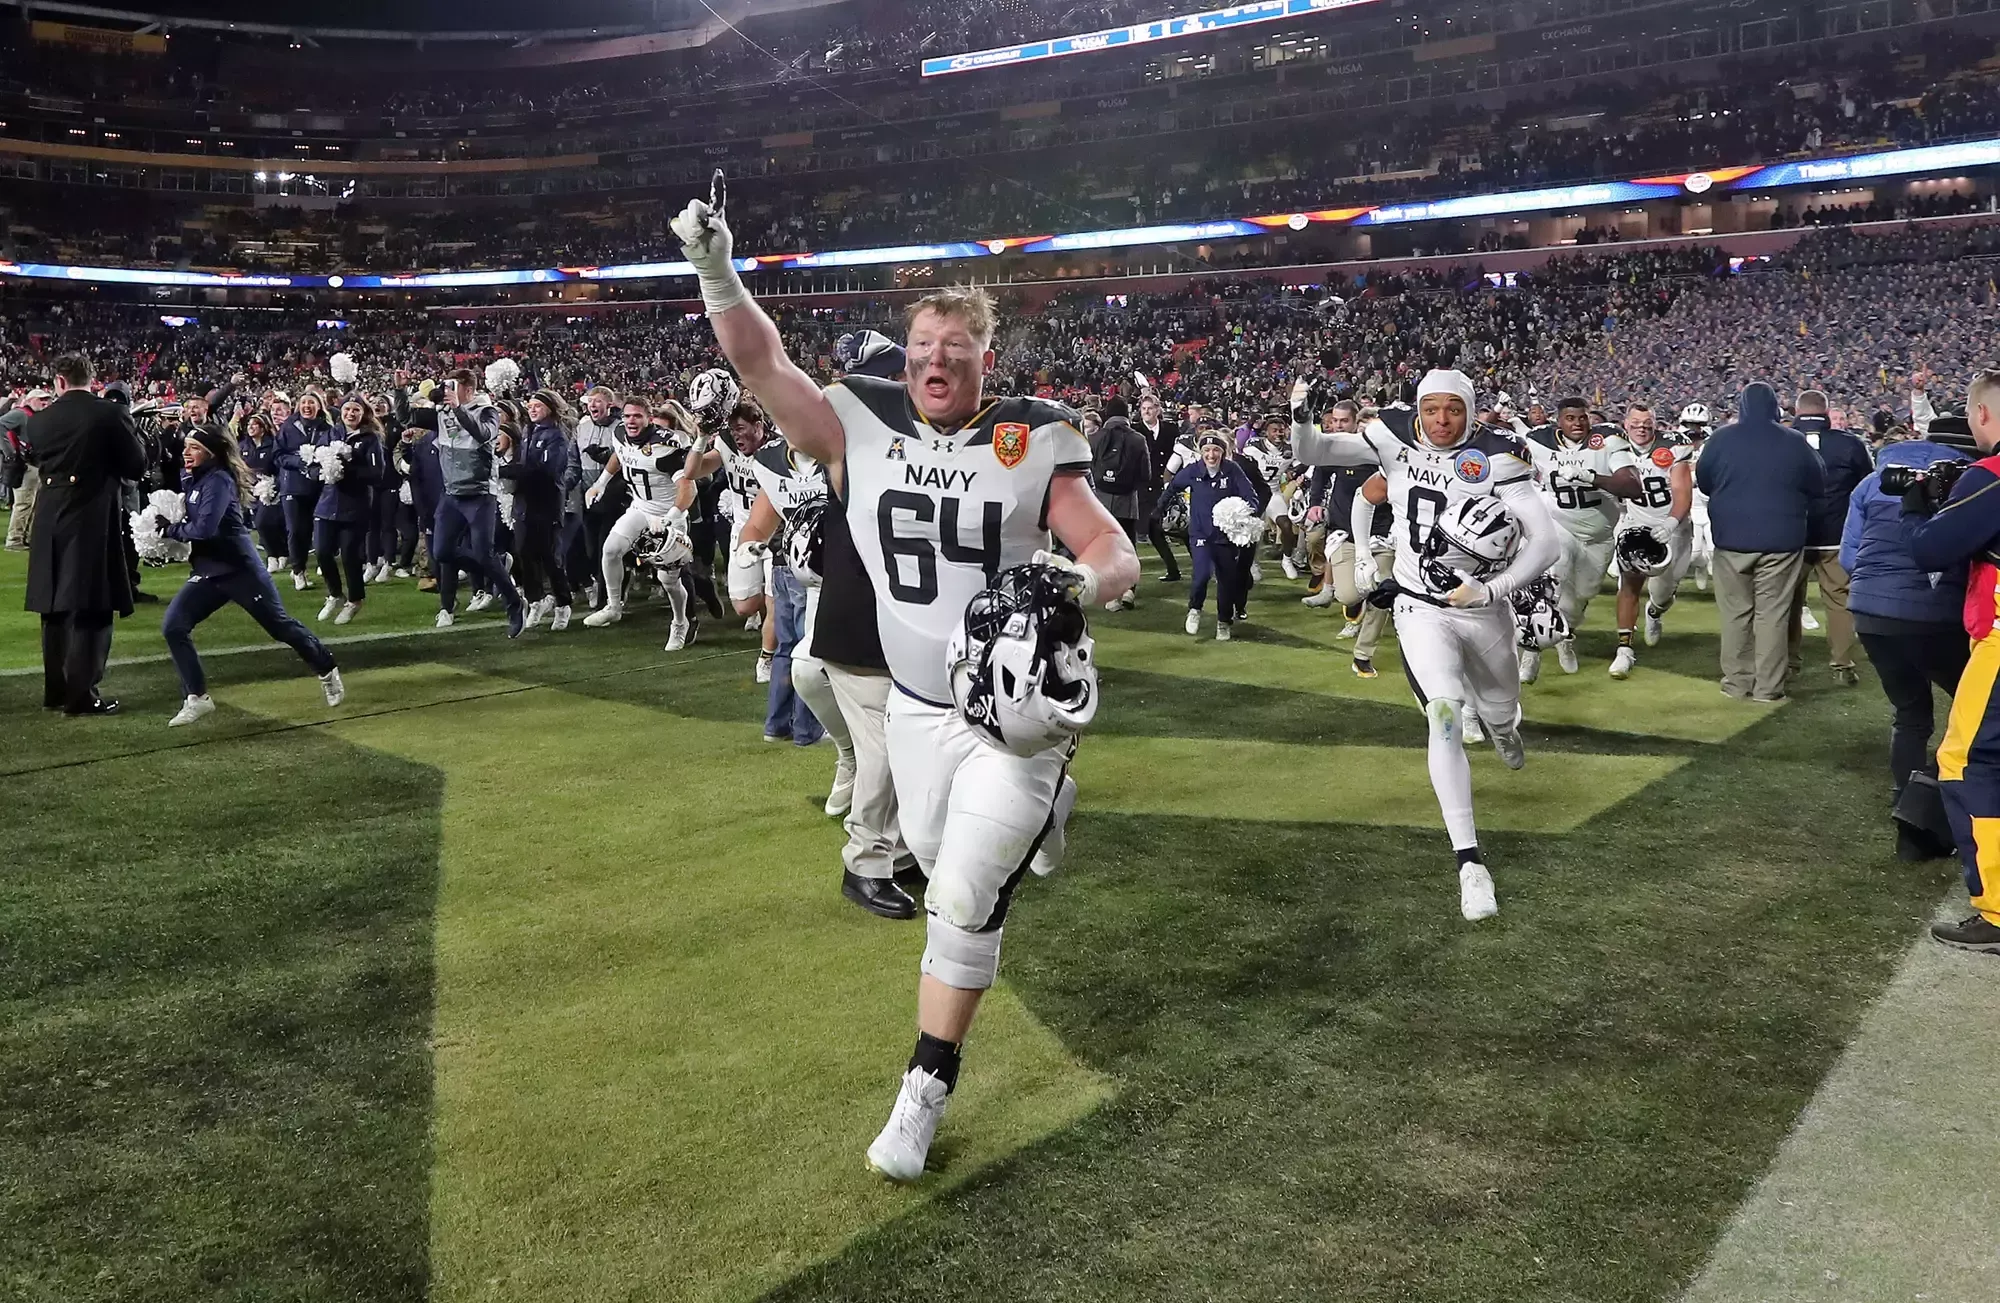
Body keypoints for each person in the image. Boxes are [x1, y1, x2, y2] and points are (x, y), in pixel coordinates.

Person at [675, 188, 1139, 1184]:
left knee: (963, 896)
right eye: (923, 347)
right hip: (917, 710)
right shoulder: (857, 423)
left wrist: (1082, 578)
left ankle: (923, 1089)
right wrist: (716, 271)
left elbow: (1109, 547)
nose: (936, 364)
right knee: (929, 854)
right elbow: (760, 365)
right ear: (908, 351)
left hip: (1010, 718)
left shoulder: (1031, 438)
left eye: (956, 352)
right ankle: (1045, 815)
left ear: (983, 360)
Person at [1291, 369, 1561, 922]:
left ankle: (1506, 730)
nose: (1442, 421)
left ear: (1470, 408)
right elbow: (1315, 448)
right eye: (1432, 409)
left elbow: (1547, 540)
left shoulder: (1498, 453)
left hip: (1484, 608)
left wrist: (1492, 587)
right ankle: (1469, 861)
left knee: (1501, 712)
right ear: (1418, 407)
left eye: (1454, 410)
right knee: (1443, 714)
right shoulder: (1390, 434)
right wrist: (1299, 414)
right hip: (1419, 605)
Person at [1902, 369, 2000, 952]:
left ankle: (1996, 909)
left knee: (1967, 761)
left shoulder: (1991, 475)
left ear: (1983, 415)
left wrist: (1917, 507)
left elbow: (1928, 549)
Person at [157, 425, 345, 726]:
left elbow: (204, 528)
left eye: (193, 447)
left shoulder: (218, 480)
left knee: (280, 627)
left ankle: (326, 668)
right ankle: (197, 697)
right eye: (186, 445)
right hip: (208, 570)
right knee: (173, 626)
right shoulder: (192, 478)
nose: (186, 451)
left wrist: (170, 530)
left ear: (210, 452)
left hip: (240, 570)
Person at [1843, 432, 1970, 852]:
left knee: (1910, 714)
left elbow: (1849, 555)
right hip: (1932, 613)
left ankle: (1908, 802)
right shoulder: (1967, 478)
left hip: (1870, 610)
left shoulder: (1873, 480)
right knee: (1979, 711)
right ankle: (1932, 803)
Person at [23, 354, 148, 716]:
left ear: (59, 382)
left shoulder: (40, 420)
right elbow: (136, 466)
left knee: (54, 607)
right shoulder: (109, 413)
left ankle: (57, 692)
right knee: (91, 604)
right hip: (90, 514)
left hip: (49, 517)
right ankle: (81, 696)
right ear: (90, 379)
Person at [1696, 383, 1827, 703]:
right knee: (1773, 615)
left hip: (1731, 539)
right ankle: (1768, 689)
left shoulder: (1721, 438)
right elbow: (1818, 483)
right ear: (1775, 408)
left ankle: (1737, 684)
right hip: (1782, 540)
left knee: (1736, 614)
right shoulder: (1794, 441)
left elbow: (1705, 480)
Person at [1522, 396, 1640, 680]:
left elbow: (1633, 486)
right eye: (1570, 418)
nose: (1578, 423)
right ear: (1558, 420)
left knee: (1581, 597)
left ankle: (1565, 636)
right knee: (1553, 580)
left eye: (1583, 417)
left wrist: (1590, 477)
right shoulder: (1538, 440)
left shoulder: (1608, 438)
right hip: (1560, 525)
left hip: (1599, 535)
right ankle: (1531, 650)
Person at [414, 369, 527, 637]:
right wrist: (402, 392)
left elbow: (483, 434)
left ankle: (514, 603)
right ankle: (497, 563)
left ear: (467, 389)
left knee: (482, 552)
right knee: (441, 552)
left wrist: (458, 409)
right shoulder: (444, 412)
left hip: (479, 494)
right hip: (452, 493)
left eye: (452, 386)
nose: (447, 389)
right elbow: (409, 417)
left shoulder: (487, 410)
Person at [1608, 403, 1694, 679]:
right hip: (1636, 524)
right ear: (1626, 423)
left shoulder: (1673, 446)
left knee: (1663, 593)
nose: (1641, 427)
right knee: (1628, 584)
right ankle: (1624, 650)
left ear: (1655, 424)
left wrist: (1670, 523)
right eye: (1635, 422)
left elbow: (1682, 491)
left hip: (1673, 526)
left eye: (1647, 422)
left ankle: (1655, 612)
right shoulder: (1615, 448)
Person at [1792, 388, 1871, 687]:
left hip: (1793, 536)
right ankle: (1842, 665)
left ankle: (1788, 663)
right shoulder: (1850, 444)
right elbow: (1867, 487)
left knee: (1787, 602)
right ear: (1826, 413)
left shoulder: (1783, 441)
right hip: (1837, 535)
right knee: (1839, 602)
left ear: (1796, 412)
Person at [1167, 431, 1259, 641]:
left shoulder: (1233, 470)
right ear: (1200, 452)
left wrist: (1245, 513)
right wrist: (1159, 509)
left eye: (1216, 450)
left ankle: (1223, 622)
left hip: (1225, 536)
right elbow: (1173, 486)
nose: (1211, 454)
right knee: (1201, 575)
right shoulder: (1193, 470)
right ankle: (1194, 609)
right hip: (1200, 534)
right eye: (1206, 450)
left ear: (1223, 452)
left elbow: (1251, 496)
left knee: (1227, 581)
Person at [502, 390, 579, 630]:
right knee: (525, 555)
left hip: (546, 504)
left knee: (550, 558)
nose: (532, 409)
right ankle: (536, 601)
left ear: (550, 407)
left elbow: (546, 470)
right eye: (530, 405)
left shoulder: (557, 435)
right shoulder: (527, 431)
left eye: (537, 405)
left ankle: (563, 603)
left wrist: (506, 470)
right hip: (524, 504)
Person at [312, 398, 386, 626]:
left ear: (363, 413)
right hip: (327, 503)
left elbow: (376, 475)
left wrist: (347, 467)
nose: (351, 413)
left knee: (350, 556)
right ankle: (335, 594)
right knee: (322, 551)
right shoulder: (330, 433)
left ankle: (355, 600)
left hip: (355, 505)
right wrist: (319, 472)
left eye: (356, 409)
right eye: (347, 409)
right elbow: (314, 462)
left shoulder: (370, 438)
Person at [1089, 396, 1152, 612]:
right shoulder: (1138, 439)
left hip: (1101, 501)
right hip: (1127, 501)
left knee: (1106, 548)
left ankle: (1112, 593)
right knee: (1127, 548)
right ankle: (1128, 590)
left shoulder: (1095, 438)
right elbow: (1146, 474)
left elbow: (1087, 471)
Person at [275, 391, 331, 592]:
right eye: (304, 402)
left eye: (312, 403)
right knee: (296, 530)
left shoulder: (327, 428)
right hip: (293, 487)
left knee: (314, 530)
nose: (307, 406)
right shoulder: (288, 426)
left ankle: (316, 566)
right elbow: (278, 455)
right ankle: (298, 571)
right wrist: (300, 462)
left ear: (319, 406)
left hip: (319, 486)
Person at [4, 387, 53, 551]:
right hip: (26, 465)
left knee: (32, 504)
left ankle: (23, 538)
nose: (45, 402)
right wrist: (10, 452)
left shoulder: (36, 416)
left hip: (35, 465)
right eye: (41, 399)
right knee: (24, 503)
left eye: (46, 399)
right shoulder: (20, 414)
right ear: (30, 400)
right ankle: (14, 540)